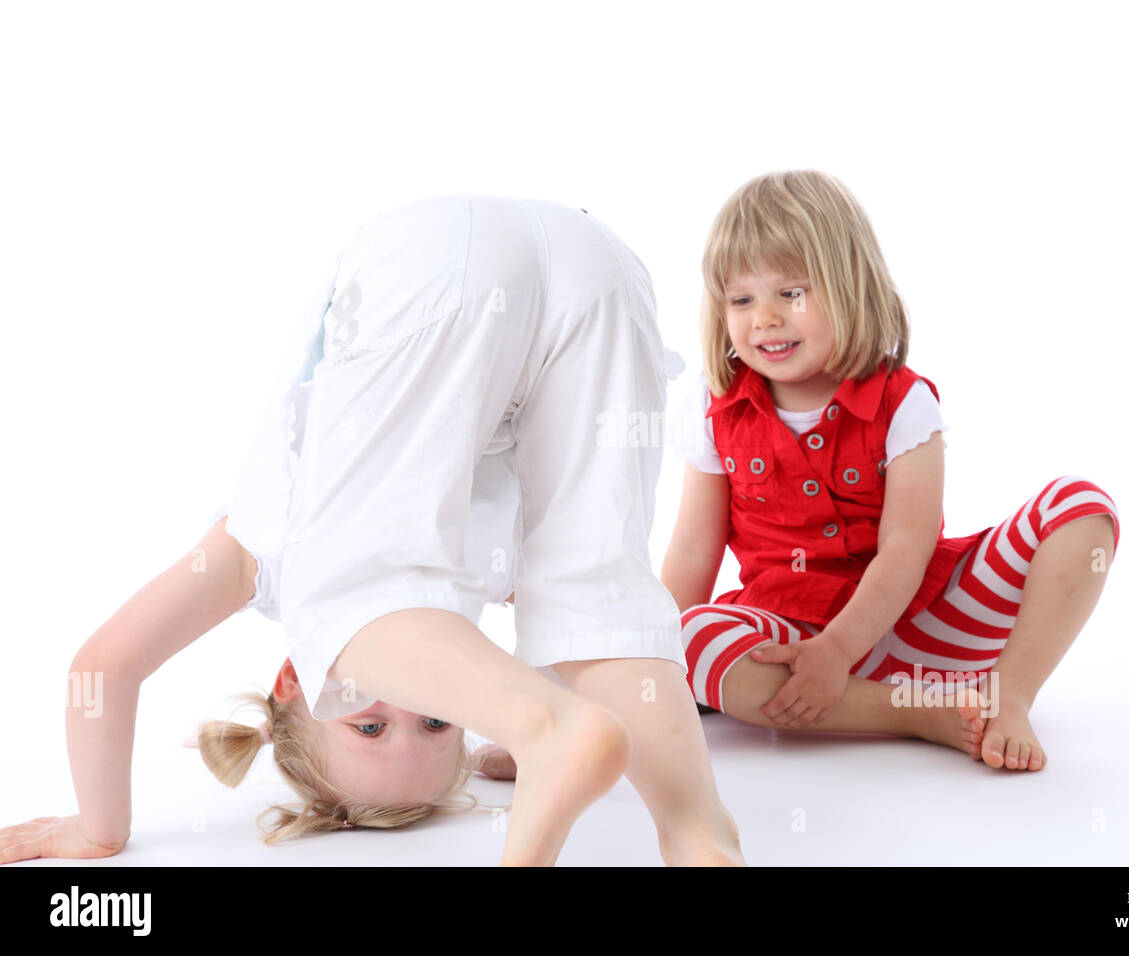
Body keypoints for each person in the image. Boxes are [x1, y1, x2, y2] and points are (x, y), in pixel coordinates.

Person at [0, 194, 743, 867]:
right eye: (437, 722)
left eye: (368, 728)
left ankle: (554, 734)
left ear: (293, 680)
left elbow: (103, 666)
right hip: (595, 268)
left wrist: (98, 828)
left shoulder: (265, 557)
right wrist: (529, 738)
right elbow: (584, 636)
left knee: (347, 600)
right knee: (592, 598)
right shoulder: (483, 574)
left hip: (442, 264)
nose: (407, 709)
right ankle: (700, 837)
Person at [661, 170, 1120, 772]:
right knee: (690, 640)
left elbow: (907, 548)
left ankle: (1006, 698)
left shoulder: (903, 403)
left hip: (923, 623)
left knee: (1080, 508)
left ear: (849, 287)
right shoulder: (713, 405)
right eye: (741, 299)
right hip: (789, 634)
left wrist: (842, 647)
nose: (764, 318)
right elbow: (695, 549)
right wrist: (645, 672)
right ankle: (913, 713)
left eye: (791, 293)